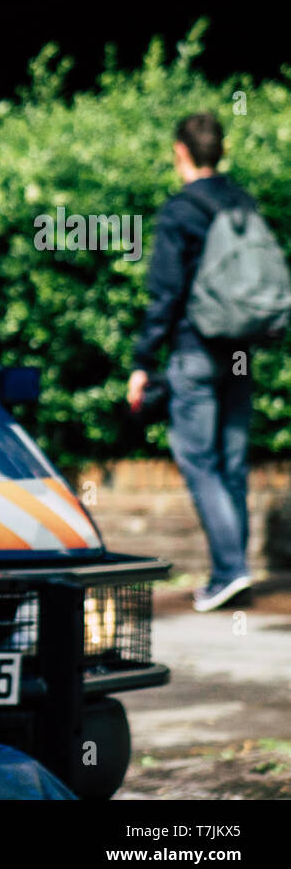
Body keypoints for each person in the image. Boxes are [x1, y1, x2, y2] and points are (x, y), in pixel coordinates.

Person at [127, 113, 257, 612]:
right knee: (232, 463)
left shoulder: (181, 210)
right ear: (220, 150)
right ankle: (233, 571)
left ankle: (230, 570)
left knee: (198, 460)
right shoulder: (244, 201)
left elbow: (165, 294)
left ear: (180, 150)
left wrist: (143, 360)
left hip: (197, 350)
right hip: (242, 349)